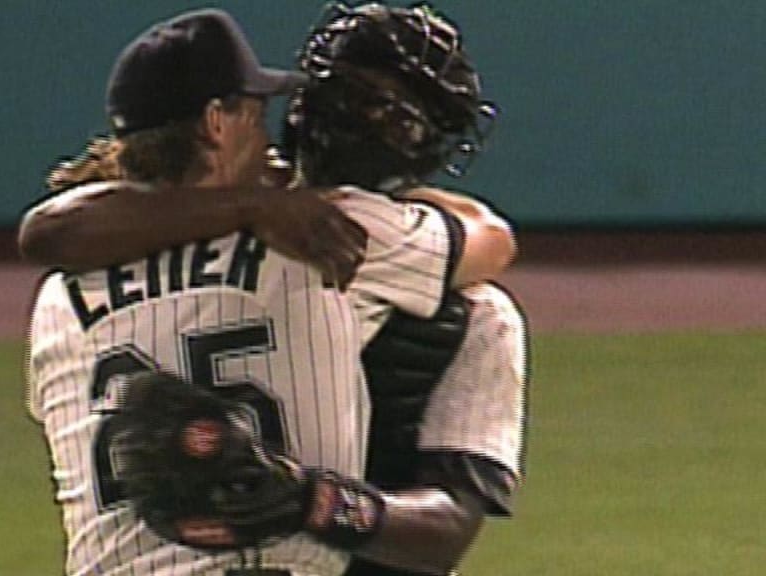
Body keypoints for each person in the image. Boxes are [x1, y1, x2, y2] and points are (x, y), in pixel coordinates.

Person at [25, 7, 489, 576]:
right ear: (216, 122)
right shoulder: (321, 231)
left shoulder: (56, 300)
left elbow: (50, 230)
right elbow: (491, 244)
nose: (270, 140)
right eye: (255, 114)